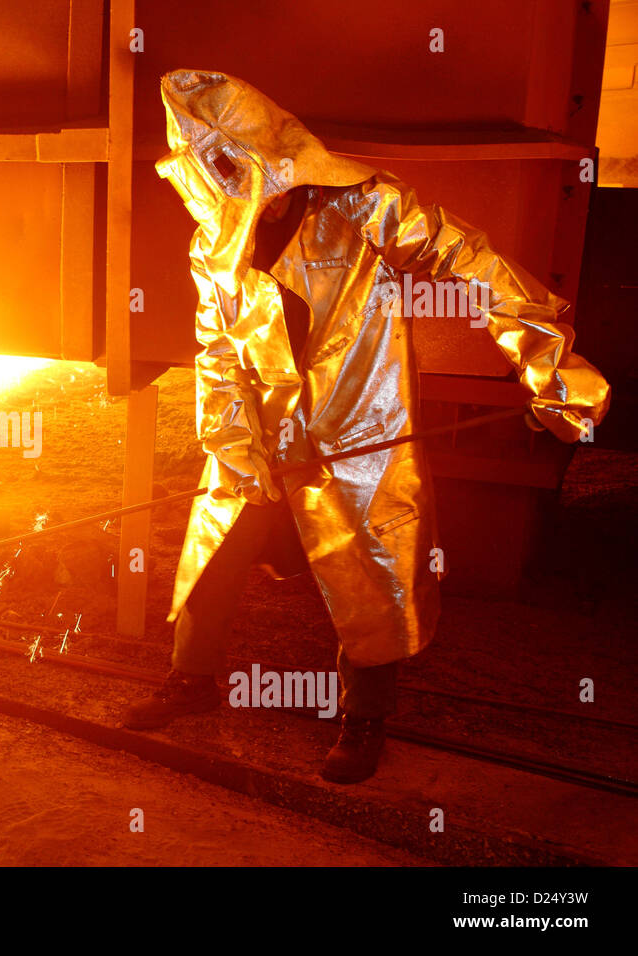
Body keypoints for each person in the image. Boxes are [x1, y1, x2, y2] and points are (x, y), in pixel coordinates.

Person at [123, 71, 610, 784]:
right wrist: (233, 442)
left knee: (369, 576)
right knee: (213, 557)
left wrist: (545, 358)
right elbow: (219, 351)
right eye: (208, 167)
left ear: (264, 145)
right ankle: (191, 681)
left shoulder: (362, 205)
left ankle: (364, 715)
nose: (222, 180)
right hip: (260, 434)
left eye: (229, 160)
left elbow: (467, 259)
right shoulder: (213, 246)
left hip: (360, 429)